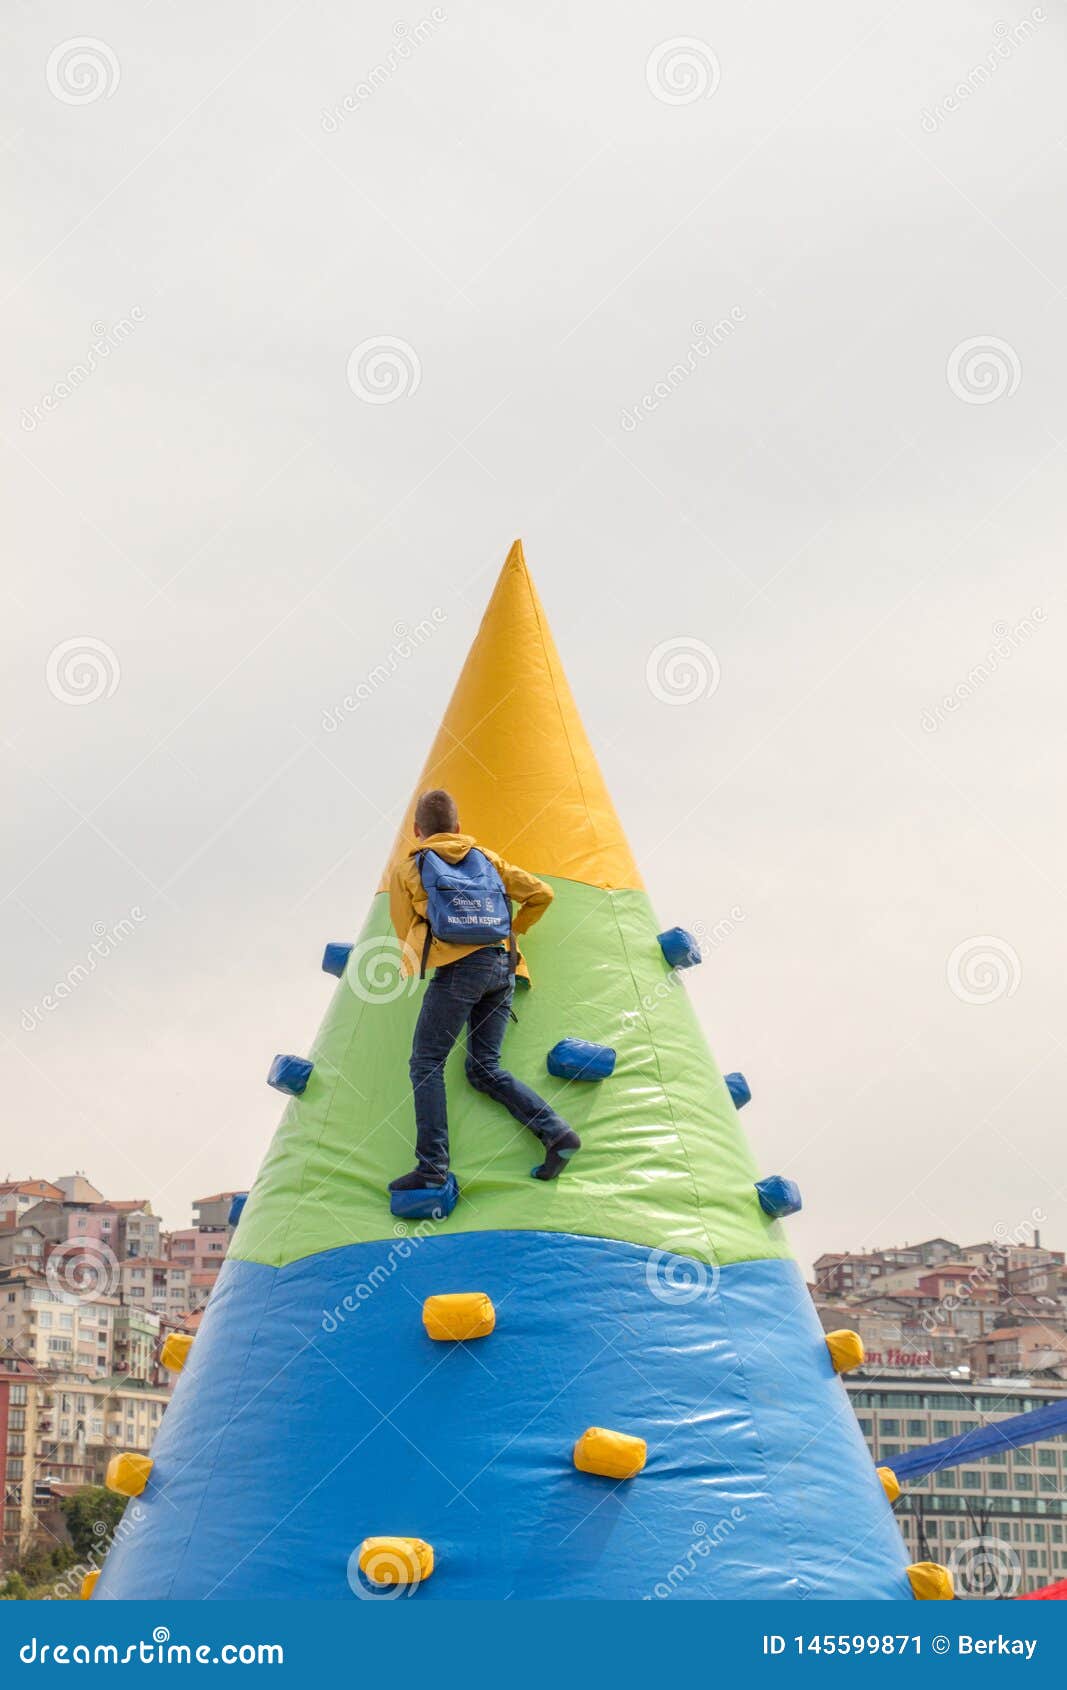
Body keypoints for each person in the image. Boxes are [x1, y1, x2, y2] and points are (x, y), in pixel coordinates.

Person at [387, 787, 581, 1191]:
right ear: (458, 828)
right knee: (484, 1068)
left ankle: (432, 1167)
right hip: (503, 964)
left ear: (418, 831)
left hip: (459, 971)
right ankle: (556, 1134)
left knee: (426, 1065)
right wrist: (512, 930)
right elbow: (542, 894)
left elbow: (405, 931)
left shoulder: (409, 869)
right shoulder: (487, 859)